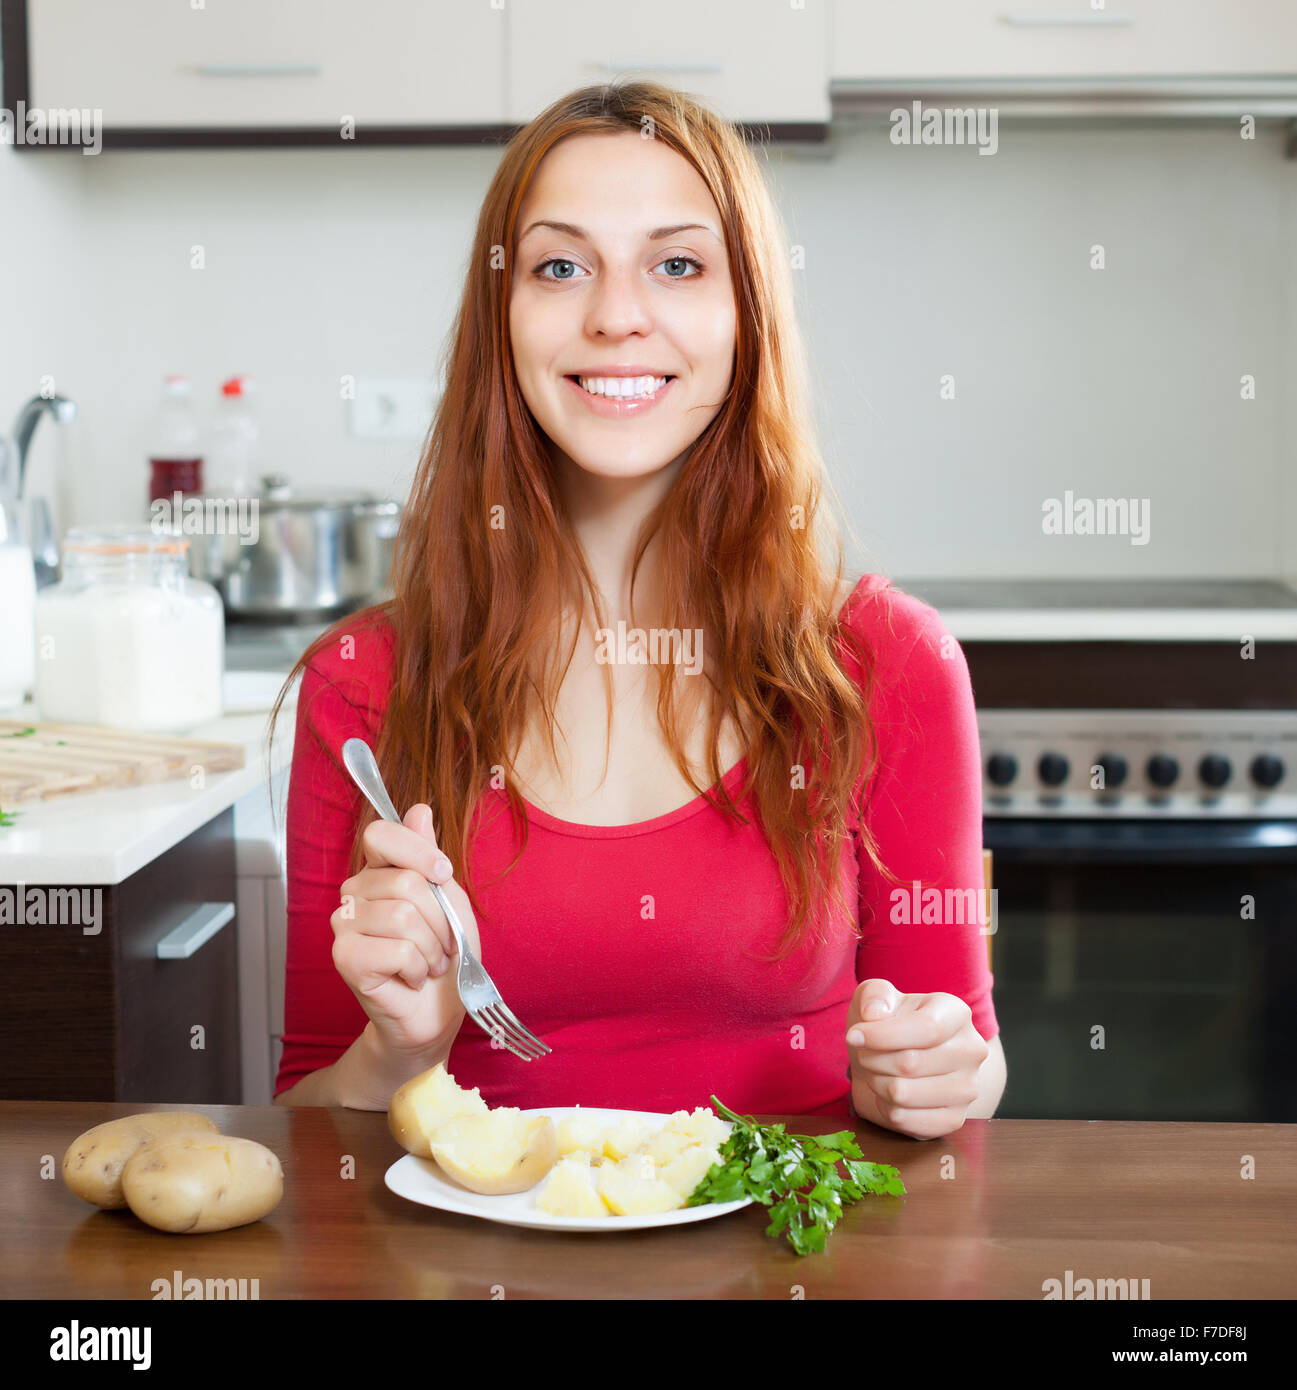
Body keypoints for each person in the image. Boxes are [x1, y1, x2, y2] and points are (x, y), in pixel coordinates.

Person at [271, 81, 1005, 1139]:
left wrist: (932, 1080)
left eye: (677, 264)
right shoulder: (363, 683)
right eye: (559, 265)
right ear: (502, 318)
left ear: (746, 313)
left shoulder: (890, 661)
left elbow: (967, 1060)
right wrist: (397, 1050)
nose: (616, 313)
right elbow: (304, 1115)